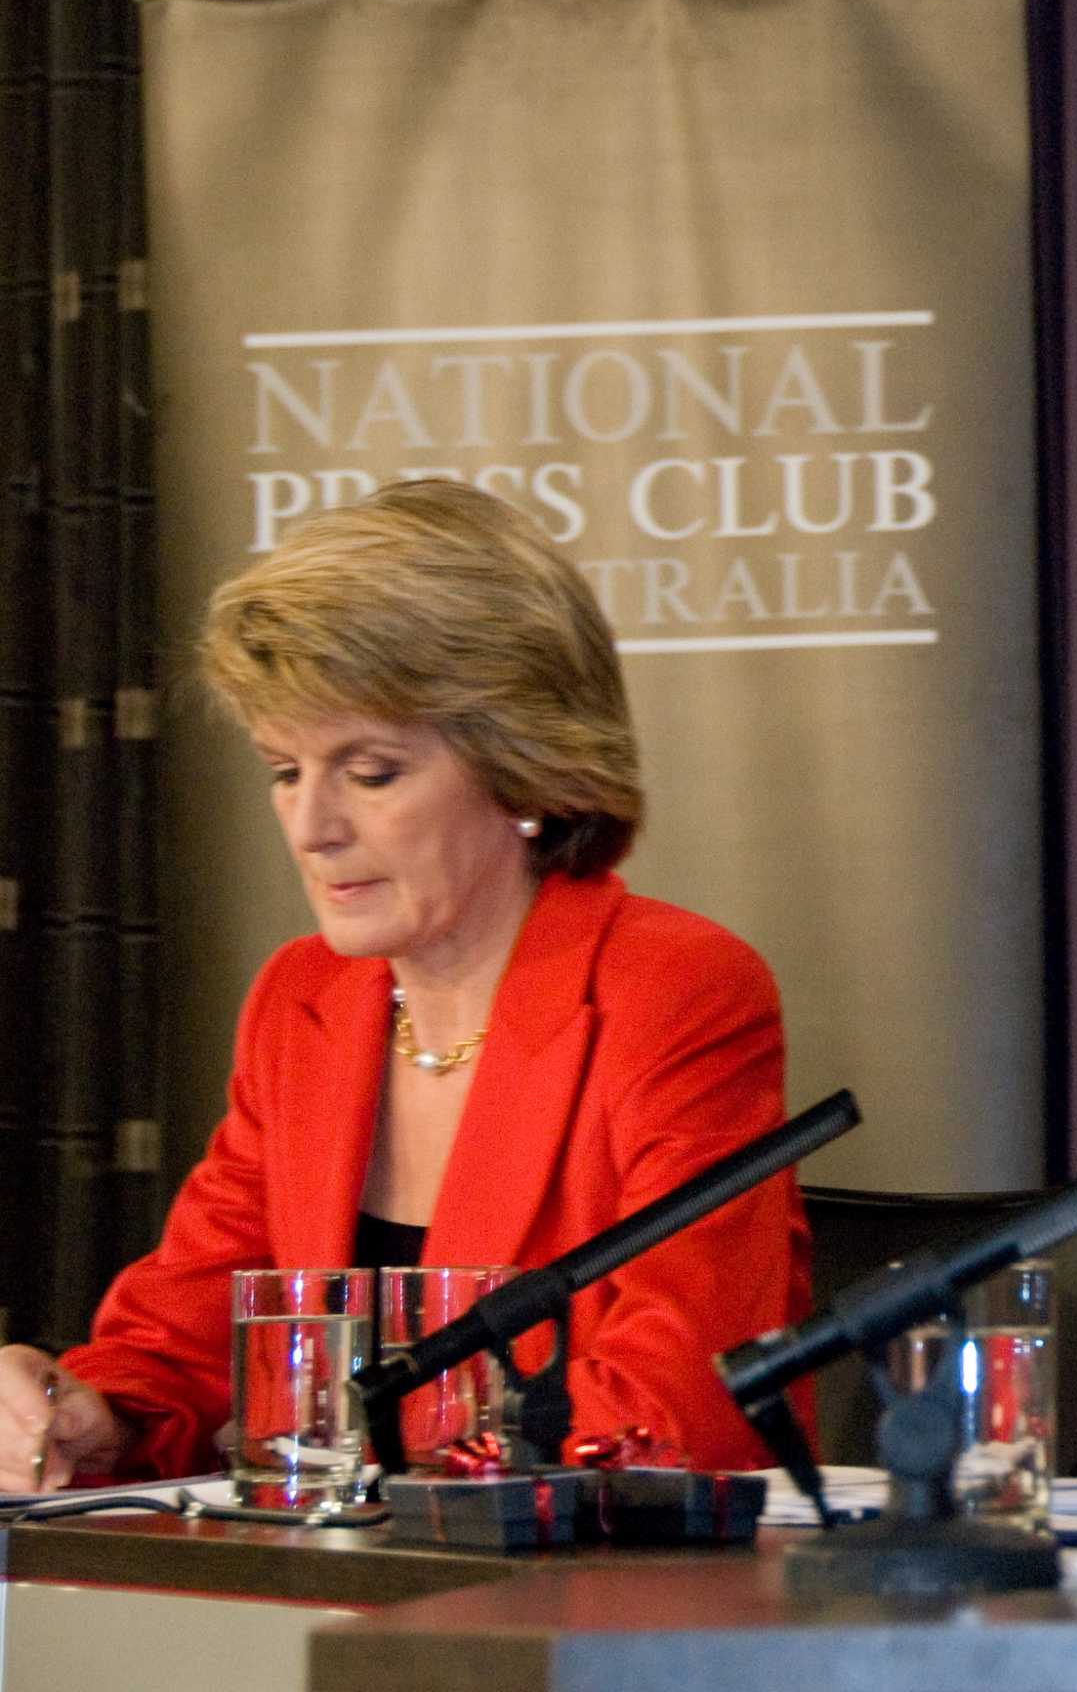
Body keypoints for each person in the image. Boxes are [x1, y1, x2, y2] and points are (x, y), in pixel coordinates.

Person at [0, 478, 810, 1487]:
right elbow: (188, 1325)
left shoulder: (672, 989)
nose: (311, 826)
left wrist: (369, 1470)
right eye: (285, 770)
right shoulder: (306, 1004)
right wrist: (91, 1414)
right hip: (344, 1592)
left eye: (371, 773)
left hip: (590, 1609)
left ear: (525, 770)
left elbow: (687, 1394)